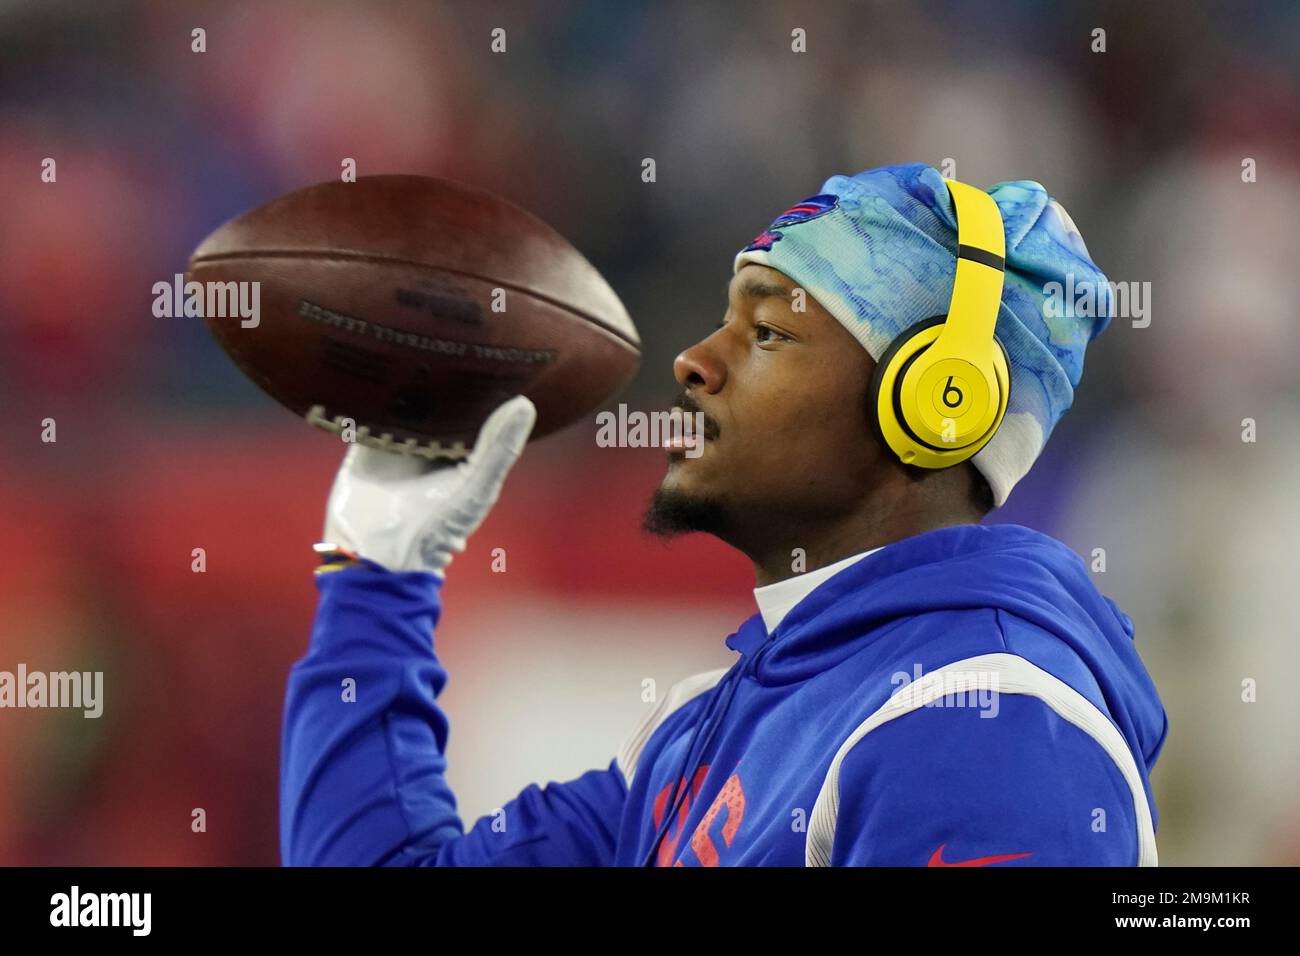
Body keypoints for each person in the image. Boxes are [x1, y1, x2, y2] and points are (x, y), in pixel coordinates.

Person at [280, 163, 1167, 866]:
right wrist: (378, 575)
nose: (694, 361)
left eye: (770, 331)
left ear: (939, 403)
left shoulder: (989, 722)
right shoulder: (710, 729)